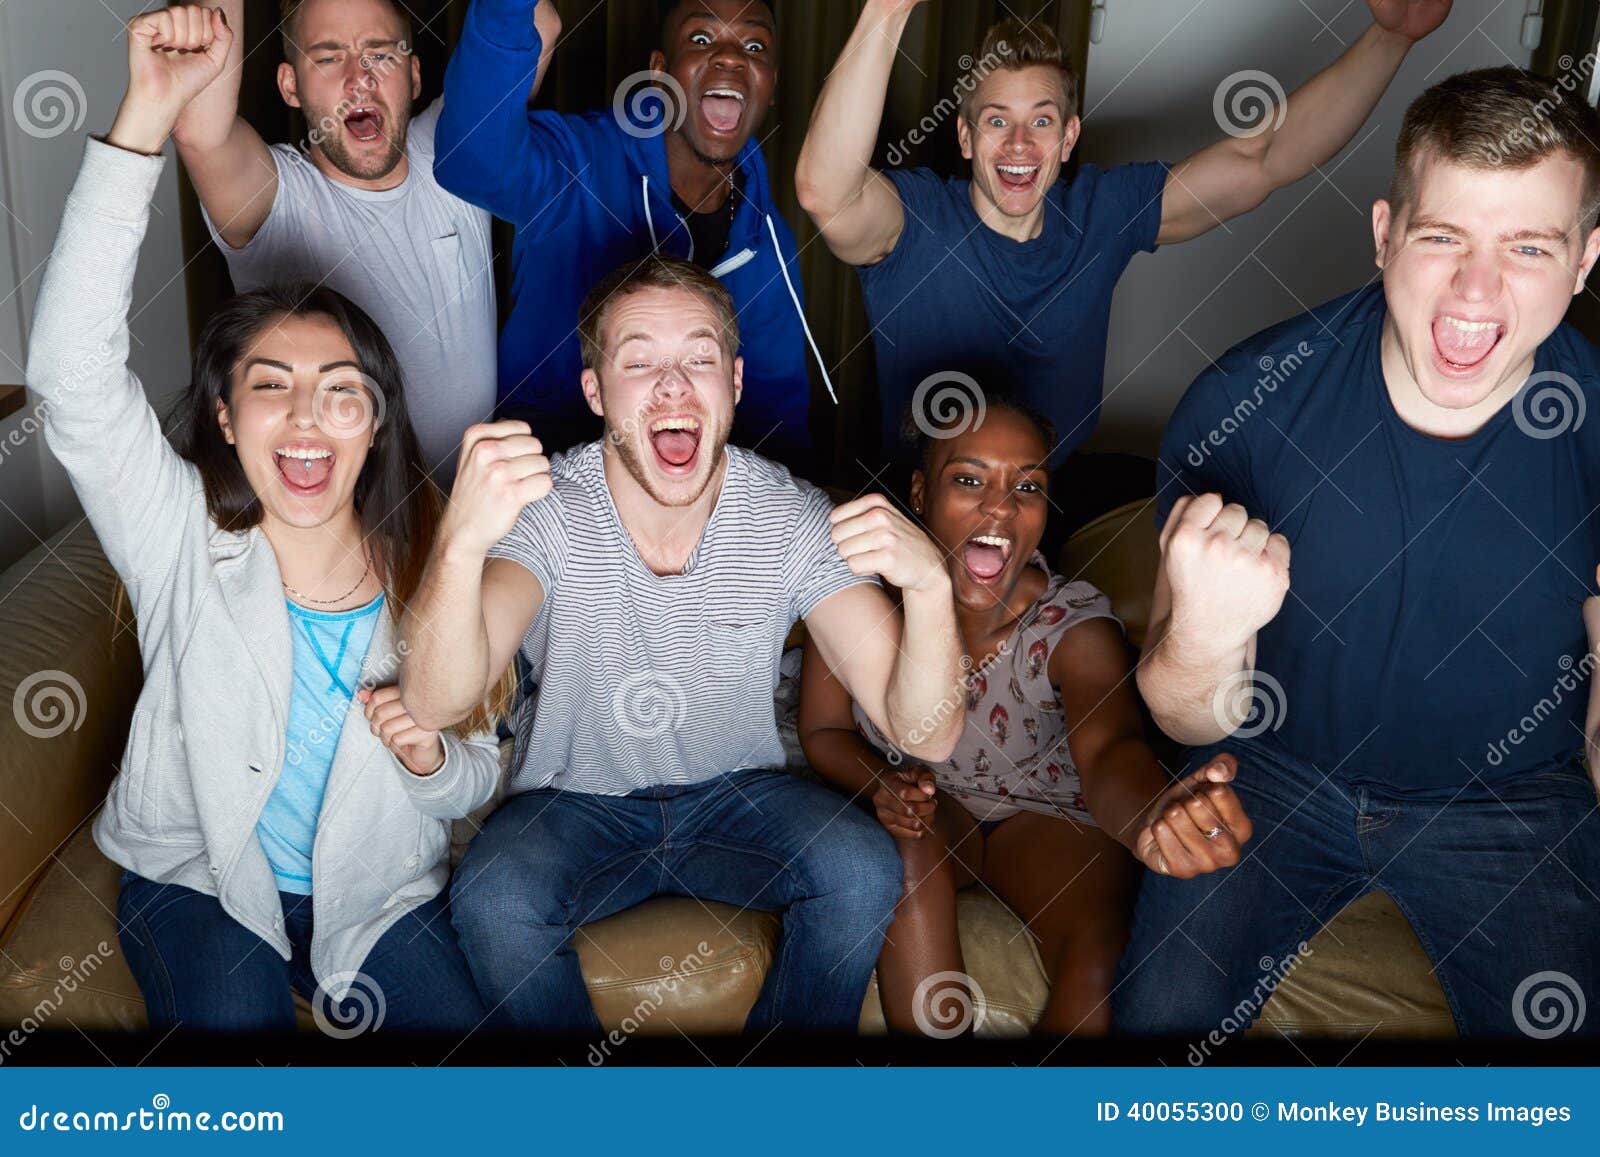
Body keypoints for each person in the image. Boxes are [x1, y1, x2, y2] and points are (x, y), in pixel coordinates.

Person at [25, 10, 505, 1032]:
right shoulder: (179, 533)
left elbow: (477, 764)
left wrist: (430, 760)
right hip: (197, 880)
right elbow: (70, 378)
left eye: (339, 390)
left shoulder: (434, 548)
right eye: (271, 387)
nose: (304, 417)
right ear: (226, 417)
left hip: (377, 903)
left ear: (375, 420)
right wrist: (147, 111)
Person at [1118, 66, 1600, 1041]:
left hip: (1510, 799)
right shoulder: (1245, 405)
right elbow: (1180, 707)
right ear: (1384, 233)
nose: (1476, 288)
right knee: (1156, 1024)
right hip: (1277, 769)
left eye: (1527, 247)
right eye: (1441, 237)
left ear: (1585, 261)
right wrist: (1206, 629)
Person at [398, 256, 967, 1034]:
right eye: (639, 362)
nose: (672, 385)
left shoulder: (788, 518)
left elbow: (926, 730)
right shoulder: (548, 512)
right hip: (573, 803)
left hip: (736, 798)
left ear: (732, 382)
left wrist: (931, 586)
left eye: (698, 358)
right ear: (596, 391)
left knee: (861, 867)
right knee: (496, 896)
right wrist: (460, 544)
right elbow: (433, 701)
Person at [796, 0, 1455, 477]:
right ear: (966, 139)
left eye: (1041, 121)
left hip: (1053, 502)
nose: (1020, 144)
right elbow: (827, 191)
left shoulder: (1102, 210)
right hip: (926, 499)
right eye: (997, 121)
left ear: (1068, 137)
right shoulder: (915, 219)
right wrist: (887, 8)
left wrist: (1391, 39)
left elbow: (1264, 160)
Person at [798, 398, 1250, 1036]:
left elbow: (1108, 752)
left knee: (1099, 969)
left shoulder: (1071, 625)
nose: (1001, 507)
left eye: (1027, 486)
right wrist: (881, 784)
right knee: (903, 854)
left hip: (1046, 817)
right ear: (921, 491)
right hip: (933, 813)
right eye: (969, 480)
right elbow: (824, 731)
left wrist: (1155, 814)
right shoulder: (855, 599)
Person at [433, 0, 823, 473]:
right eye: (701, 39)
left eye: (754, 45)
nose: (731, 57)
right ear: (659, 73)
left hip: (683, 517)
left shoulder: (768, 241)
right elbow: (469, 159)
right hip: (546, 493)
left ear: (773, 86)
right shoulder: (579, 162)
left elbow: (776, 427)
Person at [165, 0, 496, 477]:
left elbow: (535, 30)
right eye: (327, 57)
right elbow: (201, 130)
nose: (358, 79)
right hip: (346, 516)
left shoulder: (455, 149)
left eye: (380, 55)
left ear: (416, 76)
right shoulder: (275, 197)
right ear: (290, 85)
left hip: (470, 502)